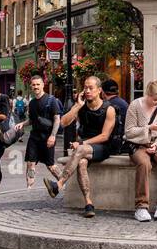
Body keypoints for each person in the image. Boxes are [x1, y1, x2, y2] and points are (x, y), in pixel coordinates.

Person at [43, 75, 116, 218]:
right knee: (82, 163)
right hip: (85, 148)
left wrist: (81, 143)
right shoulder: (82, 107)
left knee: (80, 149)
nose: (87, 91)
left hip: (103, 147)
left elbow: (104, 136)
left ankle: (59, 184)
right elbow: (63, 123)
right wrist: (77, 106)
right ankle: (89, 203)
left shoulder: (109, 109)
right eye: (85, 88)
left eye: (91, 88)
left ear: (99, 90)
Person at [123, 80, 157, 222]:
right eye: (155, 99)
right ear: (148, 95)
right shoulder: (135, 105)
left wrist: (156, 145)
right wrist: (149, 128)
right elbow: (129, 132)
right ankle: (141, 206)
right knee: (144, 164)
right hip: (138, 144)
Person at [101, 78, 129, 152]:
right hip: (125, 141)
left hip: (113, 144)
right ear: (117, 91)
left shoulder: (106, 106)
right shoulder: (124, 103)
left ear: (102, 92)